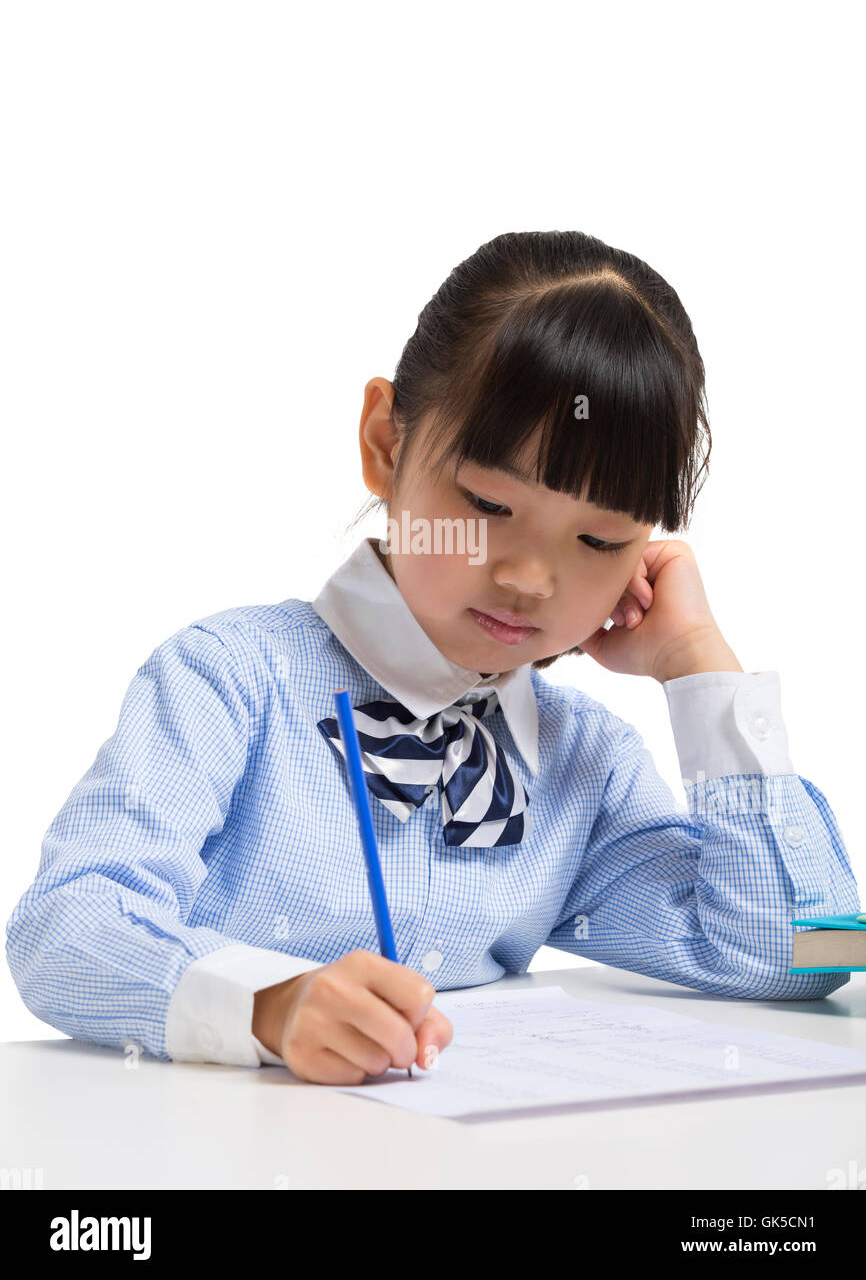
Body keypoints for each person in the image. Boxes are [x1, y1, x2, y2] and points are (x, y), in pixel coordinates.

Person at [6, 230, 859, 1087]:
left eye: (599, 538)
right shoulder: (229, 681)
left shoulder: (585, 767)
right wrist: (270, 1003)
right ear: (386, 442)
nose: (528, 577)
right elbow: (64, 923)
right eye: (488, 503)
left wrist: (697, 667)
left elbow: (808, 949)